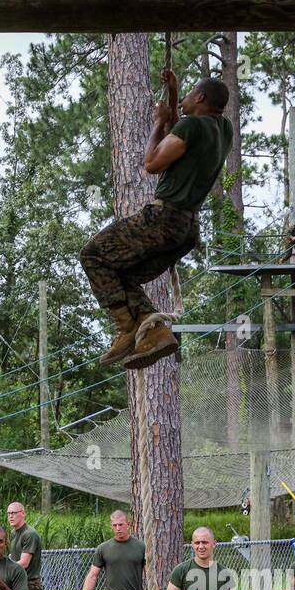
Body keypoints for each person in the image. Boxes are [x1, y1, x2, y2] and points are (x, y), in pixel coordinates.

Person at [79, 71, 233, 370]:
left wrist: (159, 123)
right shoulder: (222, 128)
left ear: (200, 97)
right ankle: (154, 331)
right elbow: (184, 134)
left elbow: (152, 163)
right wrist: (174, 97)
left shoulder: (191, 125)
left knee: (93, 255)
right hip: (186, 229)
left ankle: (126, 328)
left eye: (190, 93)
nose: (185, 98)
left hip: (162, 218)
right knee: (121, 274)